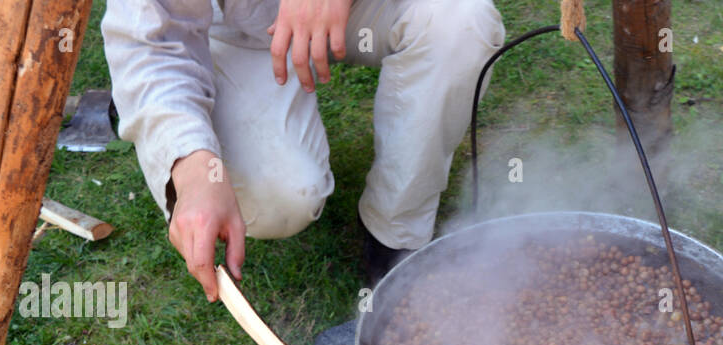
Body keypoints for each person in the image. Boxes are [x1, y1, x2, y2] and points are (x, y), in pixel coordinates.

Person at [101, 0, 506, 300]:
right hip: (242, 24)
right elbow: (150, 40)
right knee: (279, 199)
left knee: (461, 21)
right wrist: (191, 165)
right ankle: (195, 114)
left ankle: (394, 235)